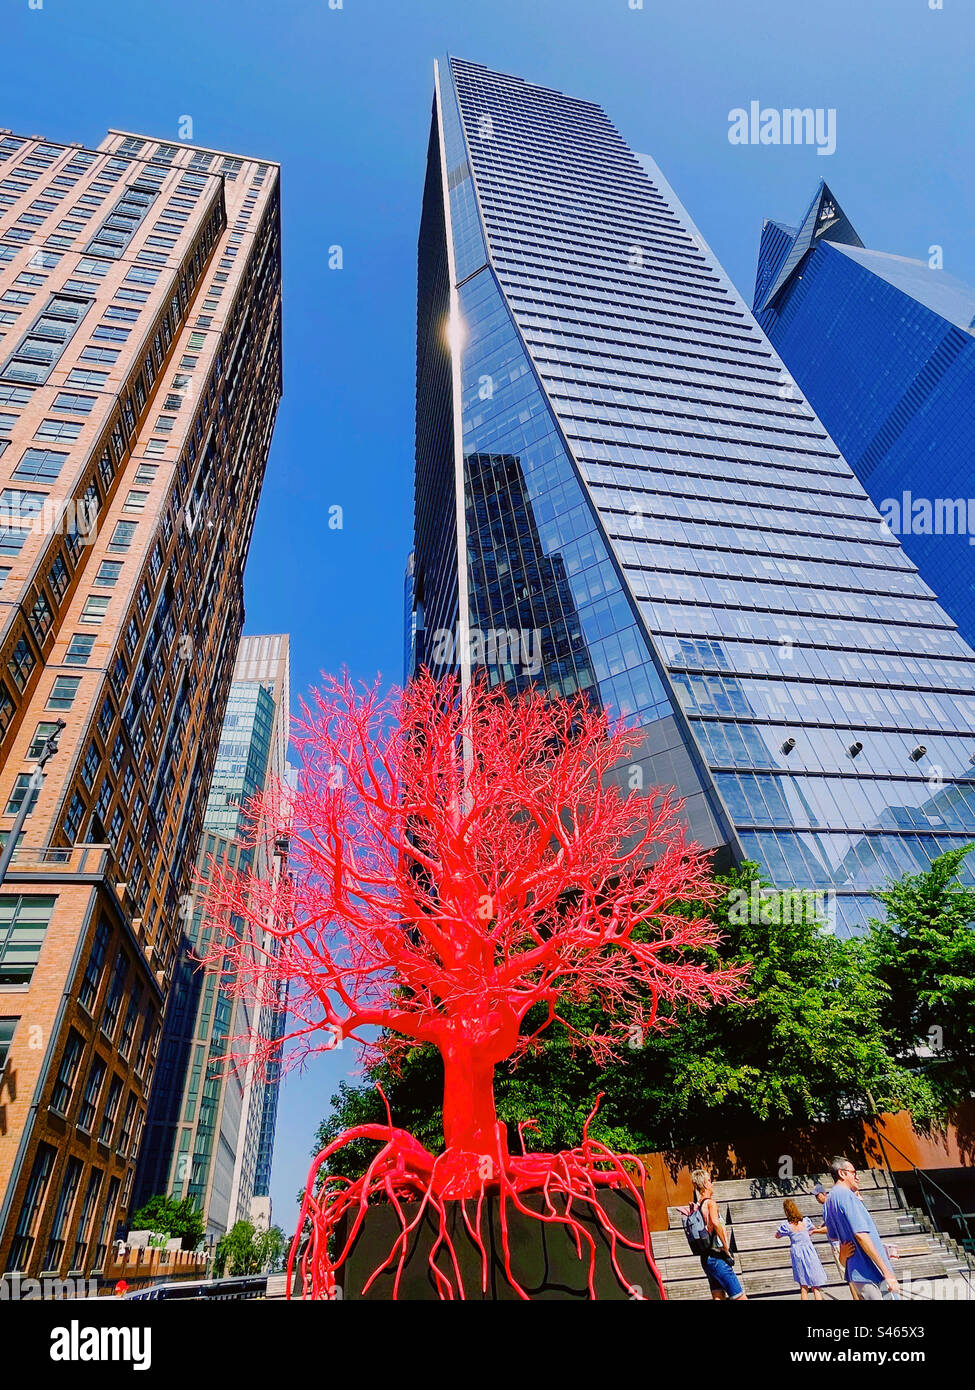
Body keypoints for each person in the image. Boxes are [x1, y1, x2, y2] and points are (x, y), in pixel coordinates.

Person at [824, 1157, 901, 1301]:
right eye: (853, 1173)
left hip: (857, 1272)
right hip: (870, 1272)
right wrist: (886, 1272)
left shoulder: (830, 1199)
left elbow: (834, 1235)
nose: (857, 1177)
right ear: (842, 1173)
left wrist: (844, 1255)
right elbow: (861, 1235)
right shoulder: (846, 1196)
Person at [684, 1168, 747, 1301]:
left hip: (706, 1259)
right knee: (740, 1297)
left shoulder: (698, 1205)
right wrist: (726, 1248)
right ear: (705, 1184)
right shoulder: (711, 1203)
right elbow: (715, 1223)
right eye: (709, 1180)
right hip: (717, 1257)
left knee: (718, 1296)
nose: (712, 1183)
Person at [775, 1197, 828, 1300]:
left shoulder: (786, 1226)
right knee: (815, 1287)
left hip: (797, 1253)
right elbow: (813, 1229)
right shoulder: (806, 1222)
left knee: (803, 1287)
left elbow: (777, 1235)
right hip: (809, 1252)